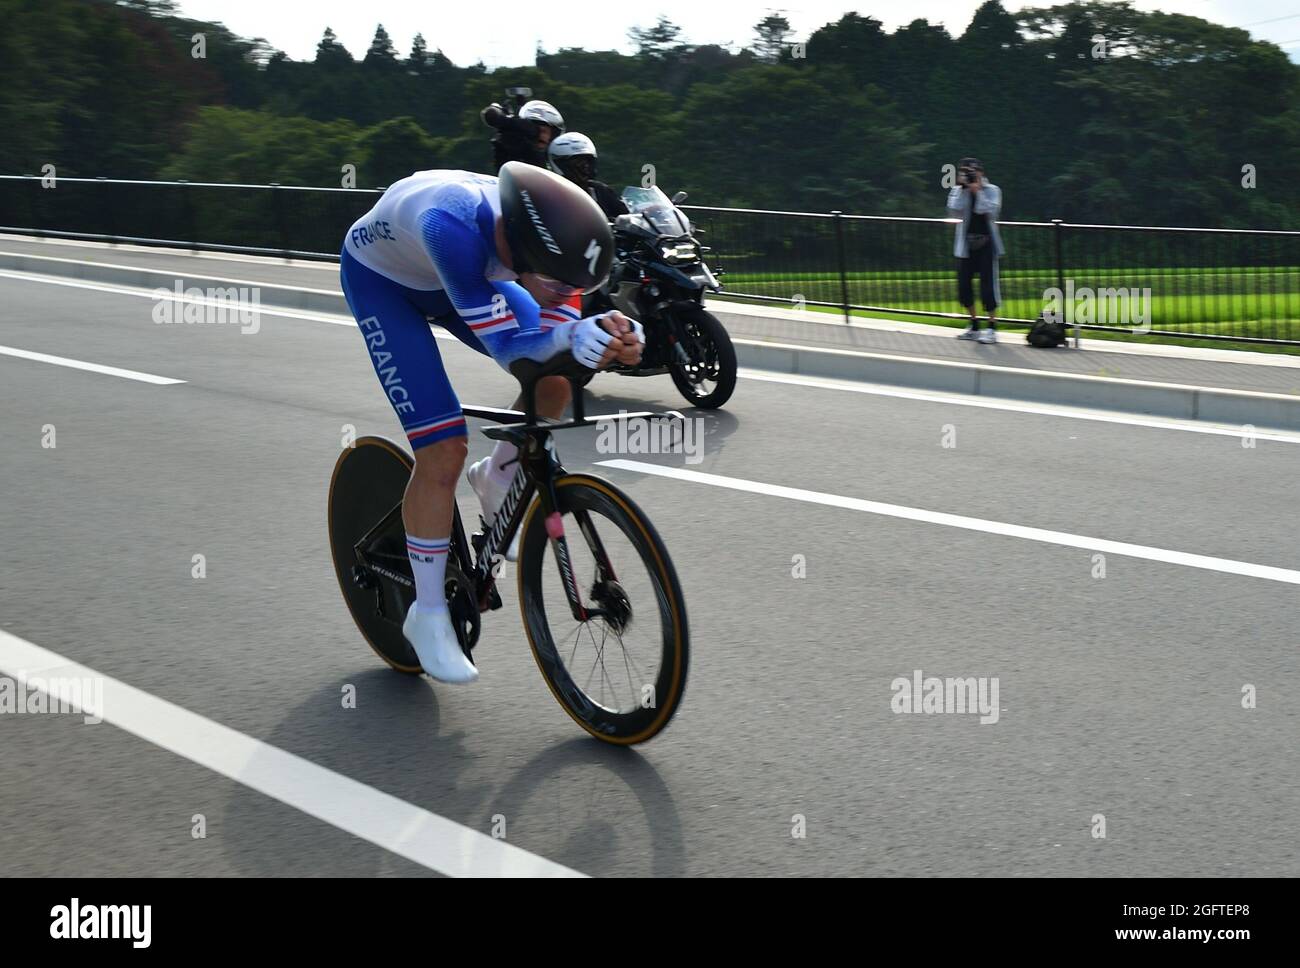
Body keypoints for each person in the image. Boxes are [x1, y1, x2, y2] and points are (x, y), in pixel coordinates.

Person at [339, 163, 644, 684]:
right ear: (521, 251)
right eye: (554, 282)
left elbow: (556, 339)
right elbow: (512, 351)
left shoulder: (554, 254)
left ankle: (499, 472)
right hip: (384, 283)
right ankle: (427, 613)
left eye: (573, 286)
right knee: (444, 448)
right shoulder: (449, 225)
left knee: (556, 383)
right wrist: (570, 338)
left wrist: (618, 339)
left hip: (461, 277)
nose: (560, 293)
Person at [946, 157, 1004, 344]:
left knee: (988, 287)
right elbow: (954, 210)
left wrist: (977, 191)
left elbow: (989, 211)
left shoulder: (992, 190)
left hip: (986, 244)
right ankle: (973, 324)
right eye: (965, 172)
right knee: (964, 286)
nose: (970, 175)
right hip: (966, 245)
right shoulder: (958, 190)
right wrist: (963, 190)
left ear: (981, 172)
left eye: (973, 172)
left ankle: (991, 327)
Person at [547, 132, 629, 220]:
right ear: (561, 165)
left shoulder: (600, 190)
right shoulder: (550, 196)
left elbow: (627, 217)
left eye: (588, 161)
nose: (585, 167)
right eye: (578, 162)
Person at [481, 99, 565, 170]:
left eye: (549, 133)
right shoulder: (512, 145)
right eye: (541, 131)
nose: (545, 137)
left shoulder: (556, 163)